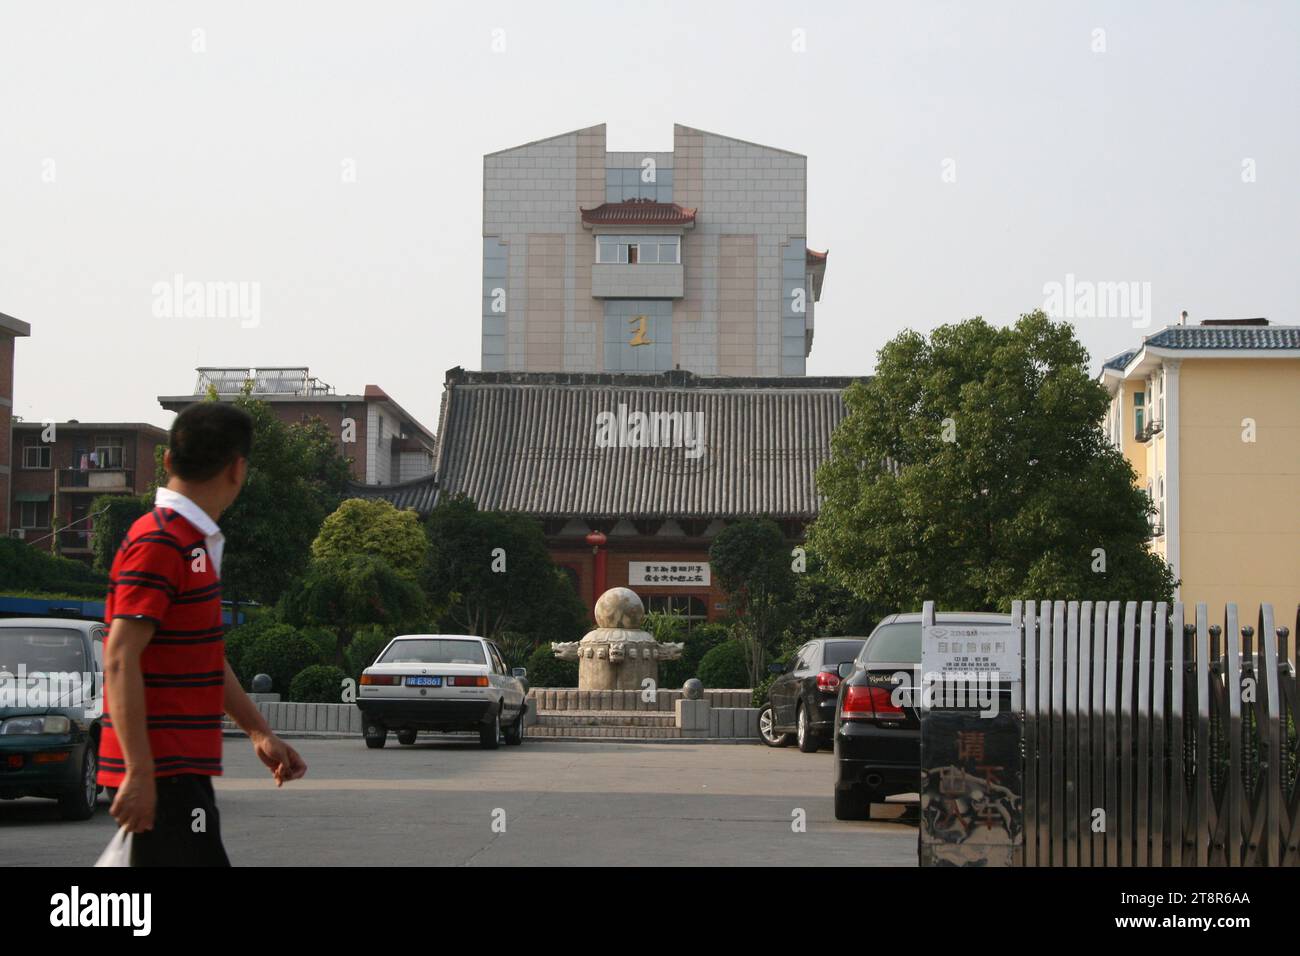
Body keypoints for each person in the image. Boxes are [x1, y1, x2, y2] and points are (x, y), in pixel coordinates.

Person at [99, 402, 306, 865]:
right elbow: (119, 656)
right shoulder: (161, 542)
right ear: (238, 469)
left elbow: (204, 657)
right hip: (160, 768)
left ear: (168, 460)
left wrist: (258, 732)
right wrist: (139, 771)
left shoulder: (190, 543)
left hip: (175, 769)